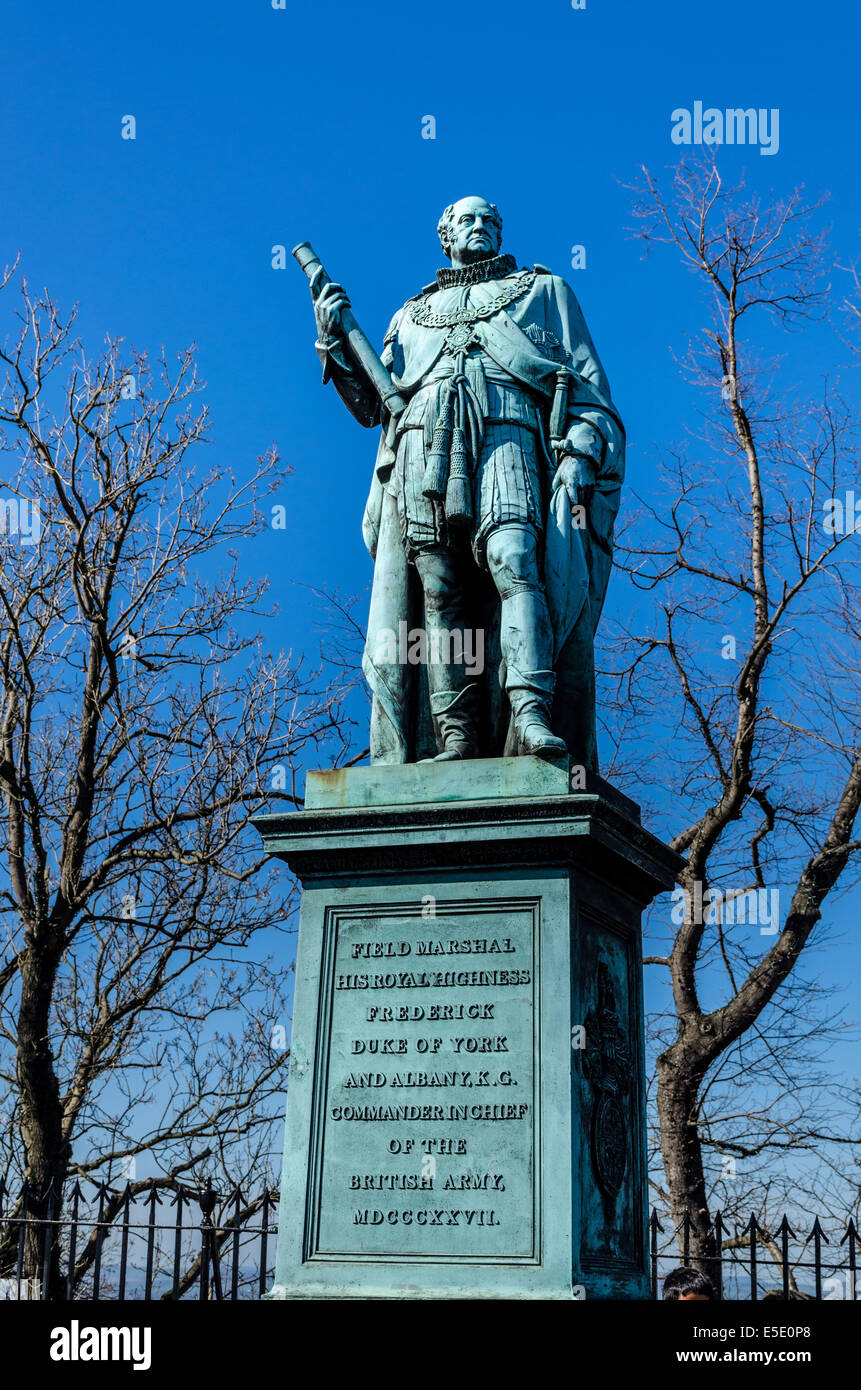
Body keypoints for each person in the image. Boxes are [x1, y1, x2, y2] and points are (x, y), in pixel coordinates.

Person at [309, 195, 625, 765]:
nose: (480, 227)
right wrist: (332, 341)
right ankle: (455, 736)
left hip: (510, 436)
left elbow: (589, 387)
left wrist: (581, 451)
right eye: (467, 220)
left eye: (490, 220)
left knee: (515, 559)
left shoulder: (542, 291)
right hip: (421, 450)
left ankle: (530, 715)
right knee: (438, 590)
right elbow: (373, 409)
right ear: (445, 235)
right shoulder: (408, 316)